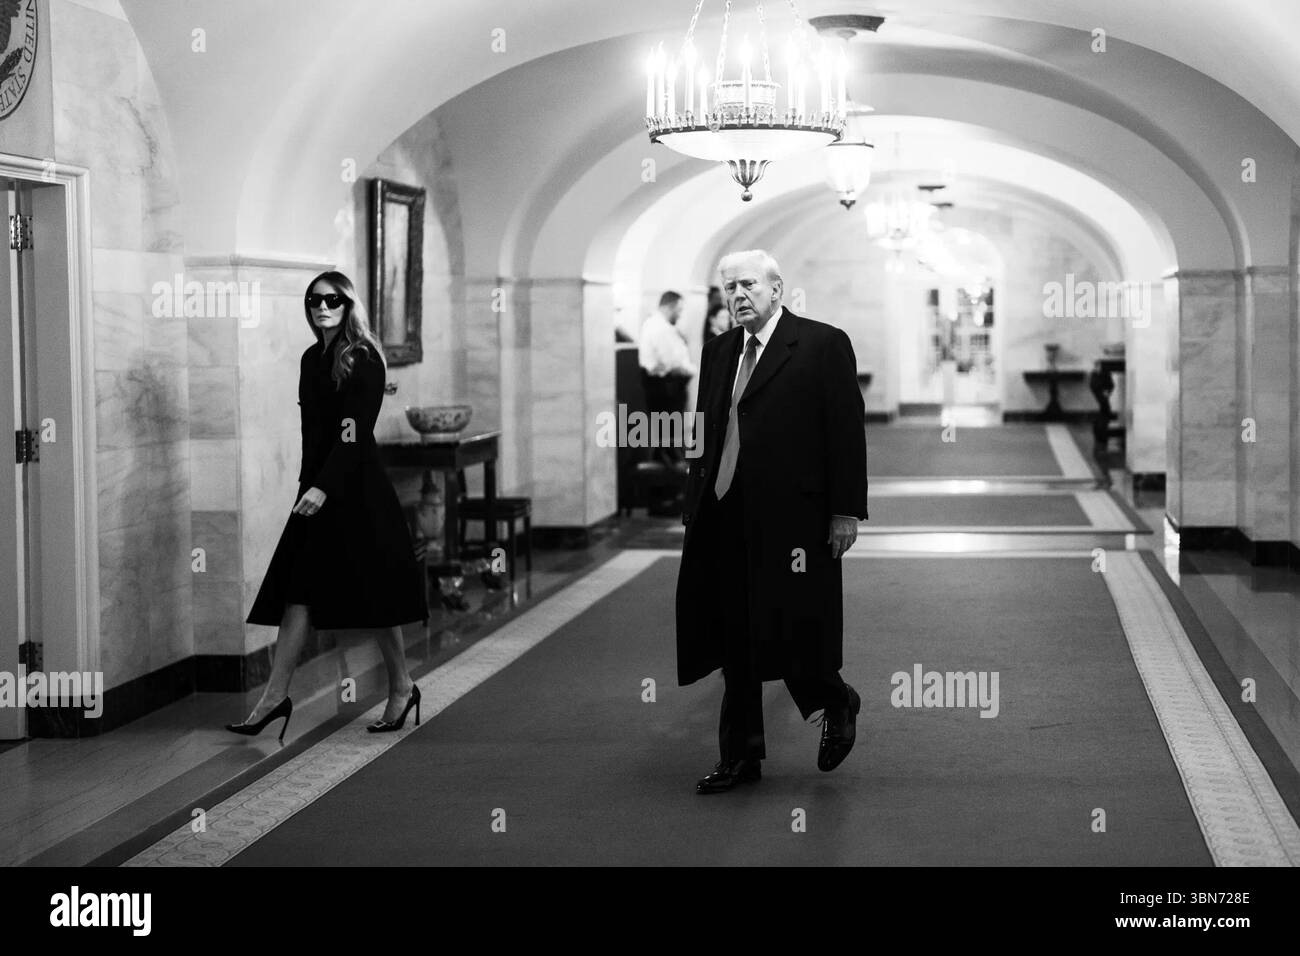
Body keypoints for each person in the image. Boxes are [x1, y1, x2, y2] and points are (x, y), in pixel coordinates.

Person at [675, 249, 868, 794]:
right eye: (728, 287)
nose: (737, 296)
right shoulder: (717, 351)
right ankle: (740, 756)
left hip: (794, 520)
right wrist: (694, 500)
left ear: (777, 288)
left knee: (793, 628)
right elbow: (705, 428)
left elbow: (846, 432)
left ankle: (835, 698)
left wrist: (845, 510)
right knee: (734, 634)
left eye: (748, 286)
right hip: (723, 512)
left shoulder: (822, 344)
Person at [229, 271, 429, 741]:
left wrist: (324, 487)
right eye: (315, 300)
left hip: (356, 491)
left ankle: (402, 686)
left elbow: (353, 432)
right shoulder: (309, 358)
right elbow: (313, 435)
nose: (322, 307)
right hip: (316, 490)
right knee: (297, 591)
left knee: (373, 595)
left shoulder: (363, 359)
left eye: (333, 300)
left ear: (348, 304)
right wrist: (307, 485)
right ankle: (273, 698)